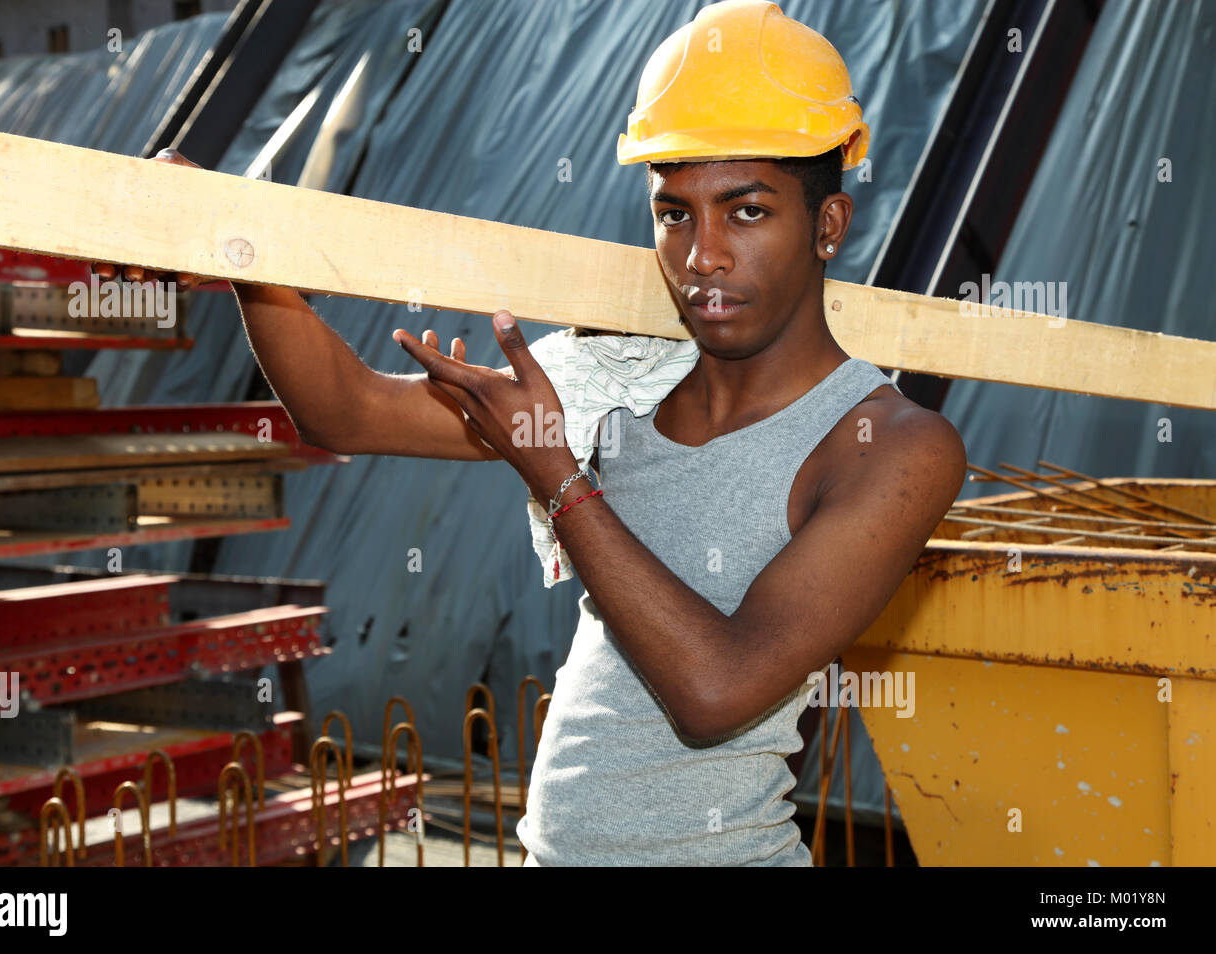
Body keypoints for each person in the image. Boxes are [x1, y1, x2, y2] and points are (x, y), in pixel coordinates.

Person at [97, 0, 965, 866]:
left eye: (745, 212)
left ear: (828, 226)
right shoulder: (617, 380)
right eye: (674, 213)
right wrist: (238, 243)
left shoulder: (892, 446)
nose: (702, 255)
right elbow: (343, 410)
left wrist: (554, 470)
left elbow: (717, 689)